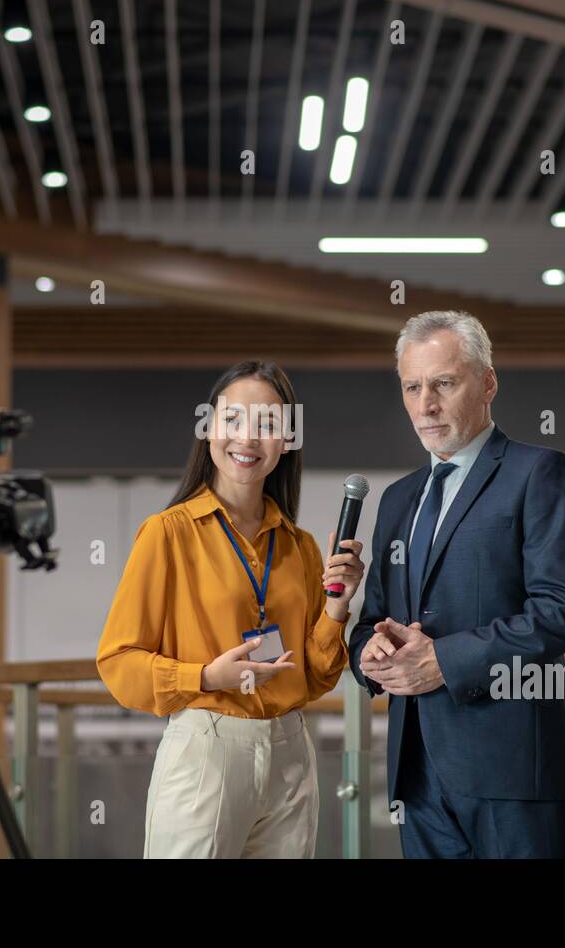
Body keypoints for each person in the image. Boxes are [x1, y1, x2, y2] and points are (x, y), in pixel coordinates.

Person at [348, 310, 565, 858]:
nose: (426, 405)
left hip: (513, 771)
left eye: (443, 383)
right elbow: (374, 620)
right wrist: (368, 652)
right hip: (416, 773)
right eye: (412, 387)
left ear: (487, 383)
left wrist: (445, 659)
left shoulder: (539, 472)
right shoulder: (397, 499)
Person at [97, 360, 365, 857]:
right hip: (208, 748)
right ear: (208, 428)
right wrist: (204, 677)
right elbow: (118, 663)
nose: (247, 438)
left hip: (290, 751)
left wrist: (337, 607)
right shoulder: (168, 534)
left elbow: (314, 678)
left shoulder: (301, 547)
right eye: (233, 419)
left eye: (267, 424)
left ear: (286, 441)